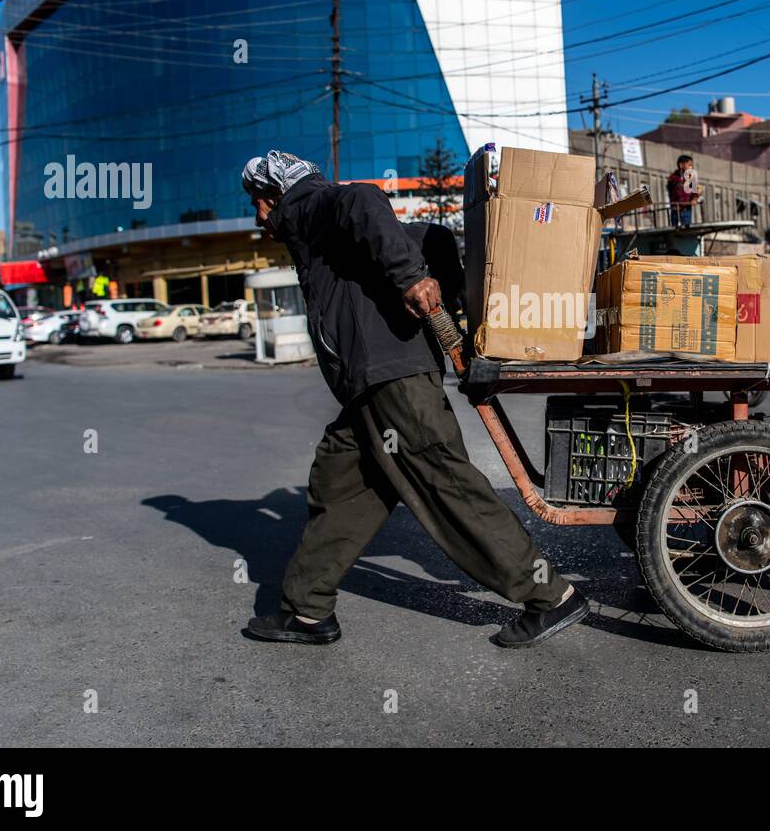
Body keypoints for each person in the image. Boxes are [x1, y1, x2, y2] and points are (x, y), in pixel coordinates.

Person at [239, 150, 589, 649]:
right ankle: (307, 610)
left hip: (391, 380)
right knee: (339, 480)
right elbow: (432, 237)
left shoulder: (307, 207)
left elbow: (363, 198)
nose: (258, 218)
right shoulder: (318, 230)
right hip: (370, 387)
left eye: (258, 204)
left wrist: (409, 277)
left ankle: (551, 595)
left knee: (445, 484)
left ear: (274, 195)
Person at [667, 154, 699, 228]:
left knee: (686, 228)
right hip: (675, 208)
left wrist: (694, 199)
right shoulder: (673, 178)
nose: (691, 167)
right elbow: (670, 191)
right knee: (675, 228)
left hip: (686, 208)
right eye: (689, 165)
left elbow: (695, 191)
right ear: (681, 165)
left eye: (691, 165)